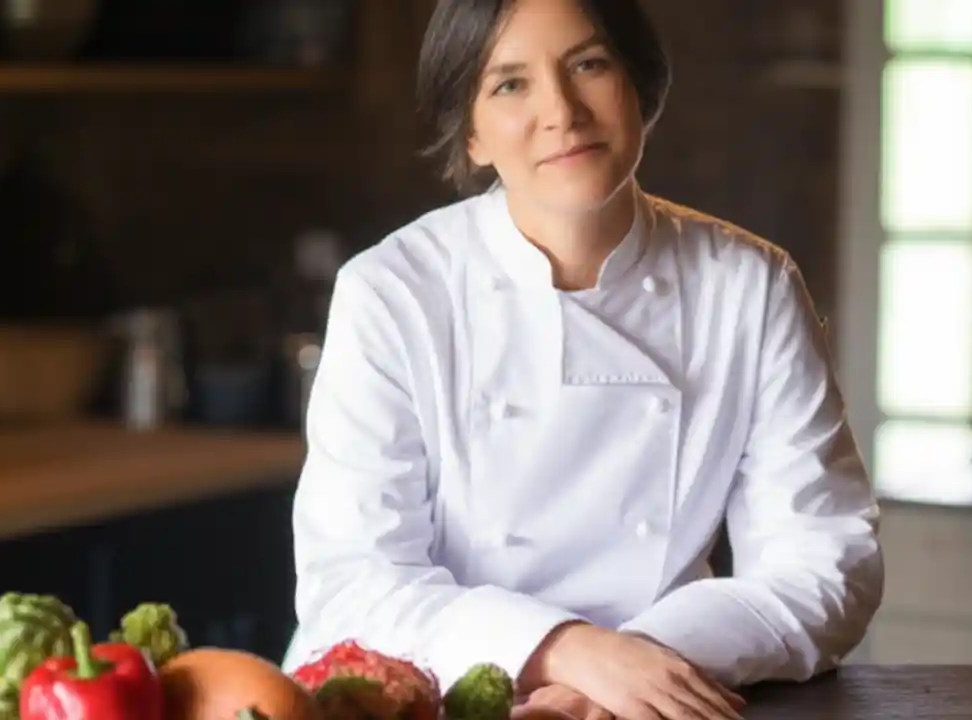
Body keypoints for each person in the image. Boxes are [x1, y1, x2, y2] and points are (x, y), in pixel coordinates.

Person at [283, 0, 884, 718]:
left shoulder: (750, 287)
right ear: (471, 132)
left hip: (654, 698)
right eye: (511, 83)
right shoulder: (393, 292)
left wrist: (634, 668)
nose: (562, 112)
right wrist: (569, 652)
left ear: (641, 87)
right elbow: (353, 584)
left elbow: (827, 564)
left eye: (589, 65)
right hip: (420, 701)